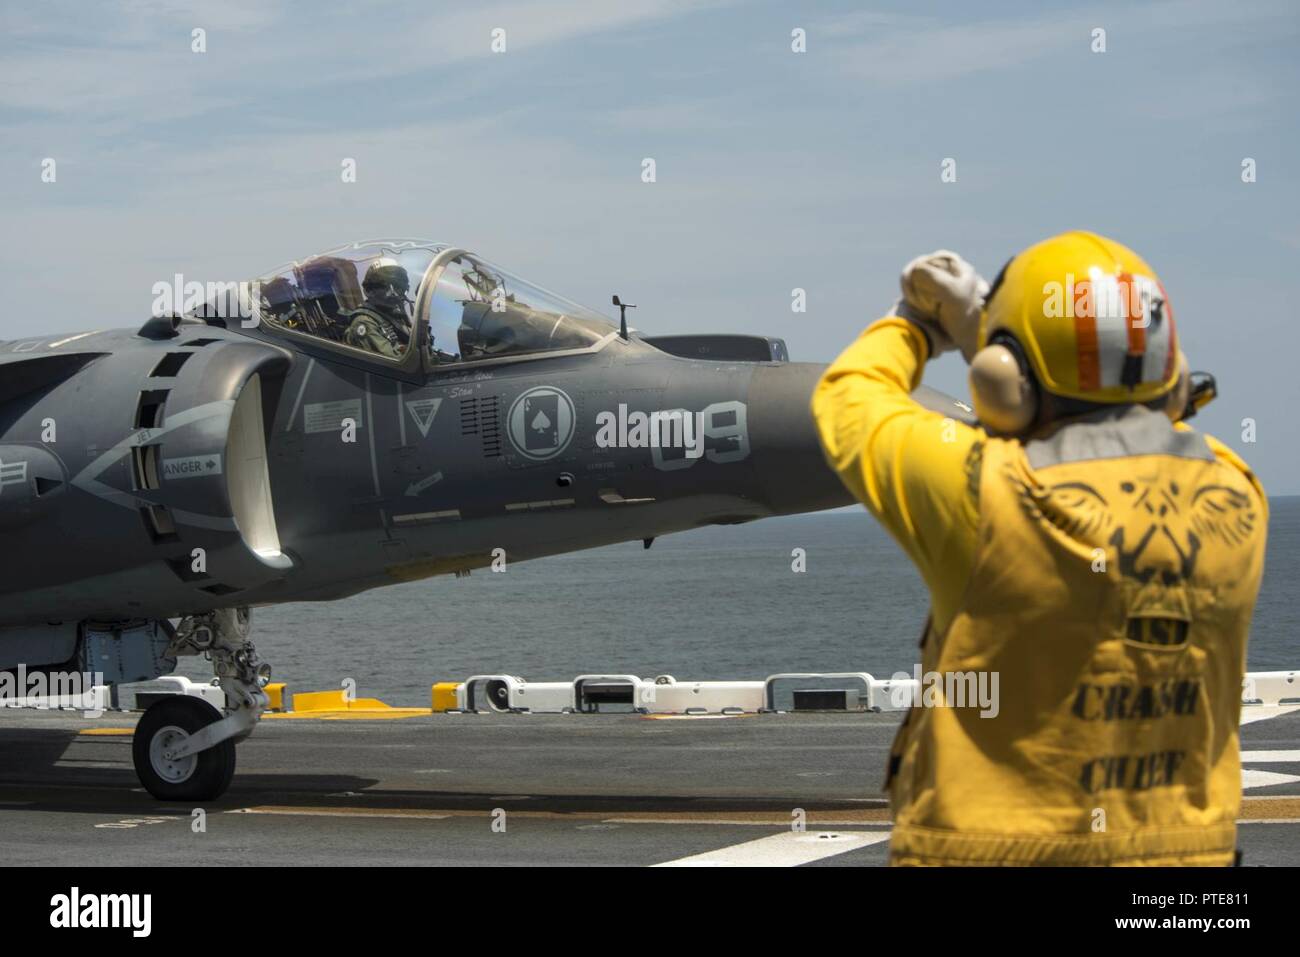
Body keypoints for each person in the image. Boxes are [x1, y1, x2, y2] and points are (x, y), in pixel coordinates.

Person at [811, 231, 1267, 866]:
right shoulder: (1236, 492)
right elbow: (1157, 431)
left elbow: (848, 399)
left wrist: (917, 322)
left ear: (1004, 380)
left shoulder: (980, 487)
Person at [343, 258, 414, 358]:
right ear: (370, 290)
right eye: (386, 286)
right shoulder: (364, 322)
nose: (394, 293)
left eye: (398, 287)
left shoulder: (394, 316)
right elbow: (396, 363)